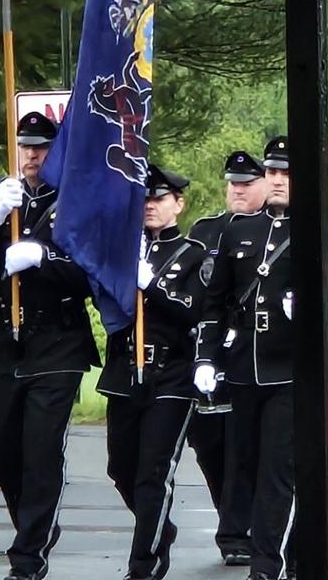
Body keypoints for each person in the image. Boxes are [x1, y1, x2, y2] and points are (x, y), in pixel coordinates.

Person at [194, 136, 328, 580]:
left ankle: (265, 566)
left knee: (278, 472)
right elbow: (216, 303)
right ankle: (271, 547)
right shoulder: (239, 229)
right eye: (272, 172)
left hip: (294, 371)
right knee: (242, 464)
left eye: (287, 173)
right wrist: (205, 359)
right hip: (244, 368)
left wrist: (315, 305)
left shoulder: (325, 230)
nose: (278, 180)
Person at [0, 112, 100, 580]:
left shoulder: (76, 199)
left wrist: (44, 258)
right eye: (25, 146)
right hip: (5, 342)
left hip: (56, 342)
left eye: (41, 146)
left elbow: (91, 274)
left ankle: (29, 555)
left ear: (55, 149)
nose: (32, 155)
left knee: (41, 449)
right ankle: (34, 524)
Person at [98, 165, 207, 580]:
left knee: (153, 473)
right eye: (144, 200)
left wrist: (153, 288)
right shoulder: (125, 251)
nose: (150, 207)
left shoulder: (195, 255)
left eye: (159, 199)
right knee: (121, 468)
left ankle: (145, 564)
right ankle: (159, 526)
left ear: (178, 204)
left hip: (171, 374)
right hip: (126, 370)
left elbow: (193, 311)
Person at [185, 150, 266, 567]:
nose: (238, 189)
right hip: (207, 347)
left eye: (246, 183)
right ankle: (230, 514)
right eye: (233, 182)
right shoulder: (206, 230)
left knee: (243, 445)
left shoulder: (275, 230)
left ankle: (236, 530)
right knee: (208, 443)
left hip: (249, 349)